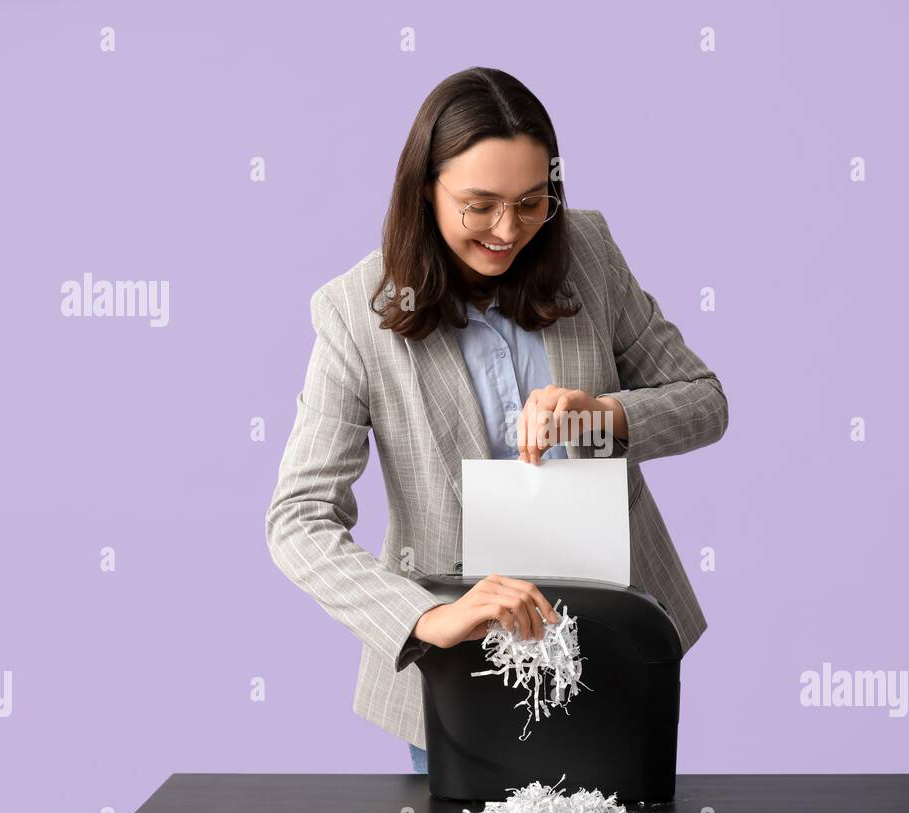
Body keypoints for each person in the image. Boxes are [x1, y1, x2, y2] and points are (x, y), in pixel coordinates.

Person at [264, 67, 728, 774]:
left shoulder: (588, 251)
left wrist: (606, 415)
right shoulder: (354, 314)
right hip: (457, 667)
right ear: (426, 189)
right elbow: (298, 519)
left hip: (617, 637)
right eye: (478, 206)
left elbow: (704, 402)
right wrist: (423, 618)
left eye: (532, 202)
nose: (508, 231)